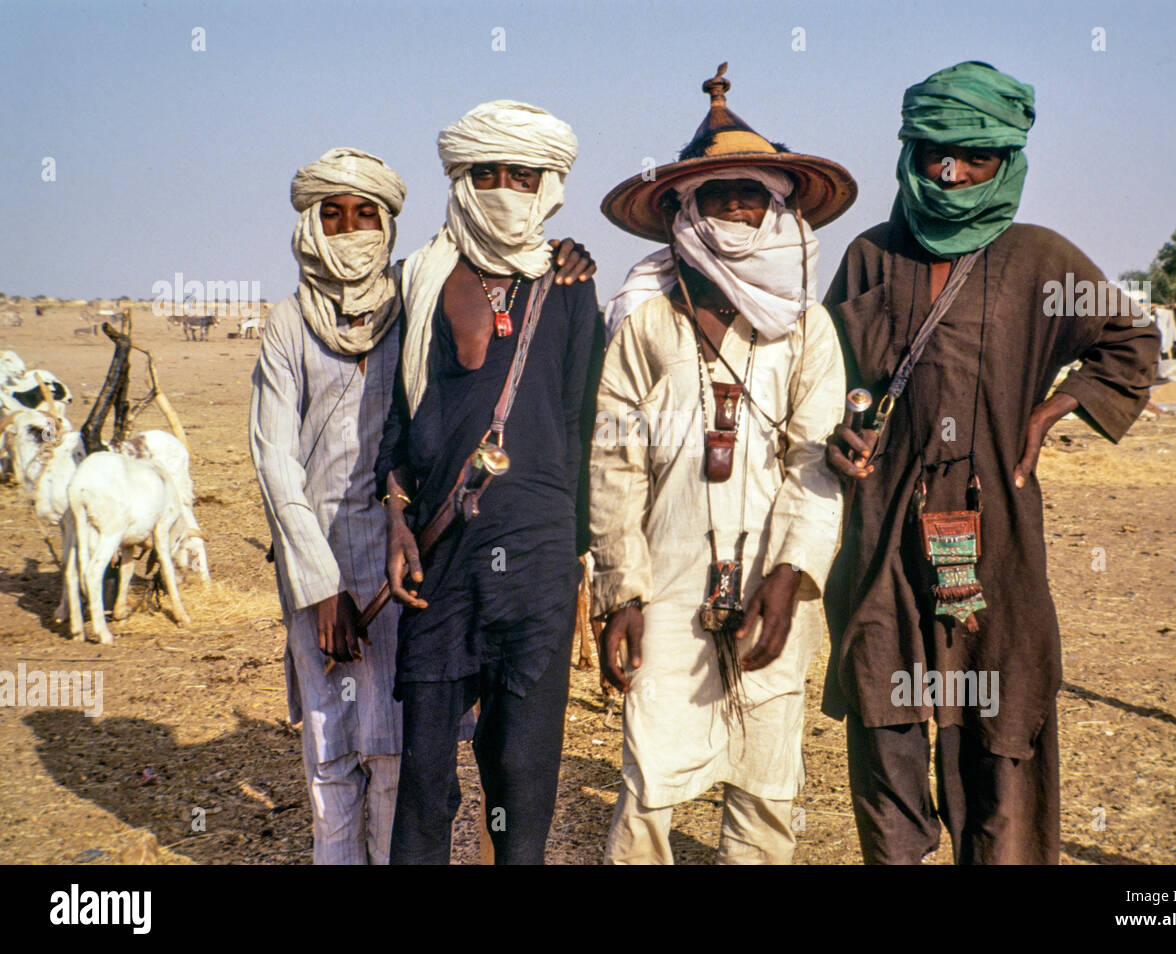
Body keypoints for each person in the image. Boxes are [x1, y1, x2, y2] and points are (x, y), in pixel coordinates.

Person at [822, 62, 1159, 865]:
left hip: (995, 536)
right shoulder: (870, 256)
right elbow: (827, 380)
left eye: (974, 156)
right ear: (910, 151)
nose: (951, 171)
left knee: (1001, 726)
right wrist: (843, 433)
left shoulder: (1043, 261)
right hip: (884, 538)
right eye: (936, 150)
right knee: (887, 712)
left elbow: (1131, 341)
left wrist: (1054, 407)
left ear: (1008, 161)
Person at [590, 65, 854, 864]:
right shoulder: (645, 325)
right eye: (717, 195)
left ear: (780, 208)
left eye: (753, 194)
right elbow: (614, 469)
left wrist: (794, 574)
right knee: (648, 779)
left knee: (768, 781)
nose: (737, 209)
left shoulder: (806, 329)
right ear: (682, 210)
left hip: (775, 583)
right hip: (665, 587)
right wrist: (619, 593)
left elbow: (818, 462)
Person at [375, 100, 602, 865]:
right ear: (462, 178)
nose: (504, 187)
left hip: (537, 566)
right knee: (425, 786)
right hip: (443, 562)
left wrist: (580, 559)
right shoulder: (418, 281)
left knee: (522, 782)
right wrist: (398, 522)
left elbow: (578, 426)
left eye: (522, 173)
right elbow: (394, 432)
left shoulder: (569, 284)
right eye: (487, 172)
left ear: (549, 182)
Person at [249, 148, 409, 864]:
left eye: (365, 213)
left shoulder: (415, 305)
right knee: (330, 749)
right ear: (311, 224)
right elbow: (275, 458)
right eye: (333, 214)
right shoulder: (287, 323)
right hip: (312, 551)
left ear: (387, 223)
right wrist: (319, 588)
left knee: (395, 748)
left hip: (402, 555)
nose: (349, 230)